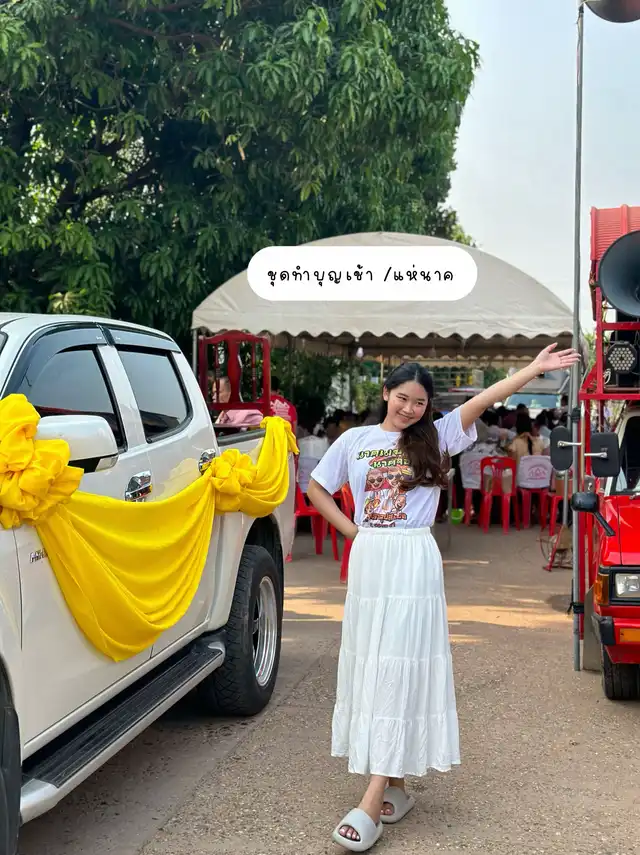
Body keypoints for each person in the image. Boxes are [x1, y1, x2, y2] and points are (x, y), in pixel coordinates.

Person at [306, 343, 580, 852]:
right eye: (403, 398)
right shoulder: (355, 440)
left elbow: (485, 398)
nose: (410, 409)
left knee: (399, 664)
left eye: (419, 403)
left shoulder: (437, 436)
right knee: (373, 663)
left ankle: (372, 799)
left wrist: (533, 369)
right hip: (371, 560)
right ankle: (397, 786)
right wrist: (352, 531)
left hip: (413, 558)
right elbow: (317, 488)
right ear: (386, 393)